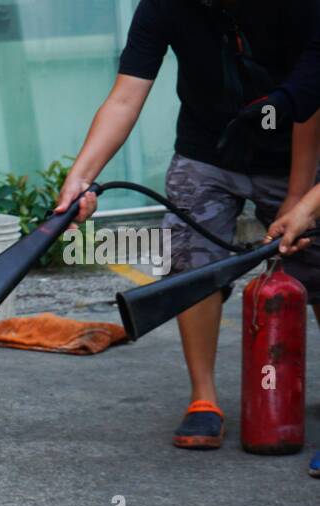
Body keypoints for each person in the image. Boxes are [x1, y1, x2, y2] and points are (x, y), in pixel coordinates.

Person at [53, 0, 320, 451]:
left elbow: (310, 97)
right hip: (206, 148)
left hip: (294, 151)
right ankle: (203, 400)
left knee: (315, 262)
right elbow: (125, 97)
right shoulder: (162, 5)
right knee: (191, 261)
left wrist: (297, 199)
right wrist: (80, 177)